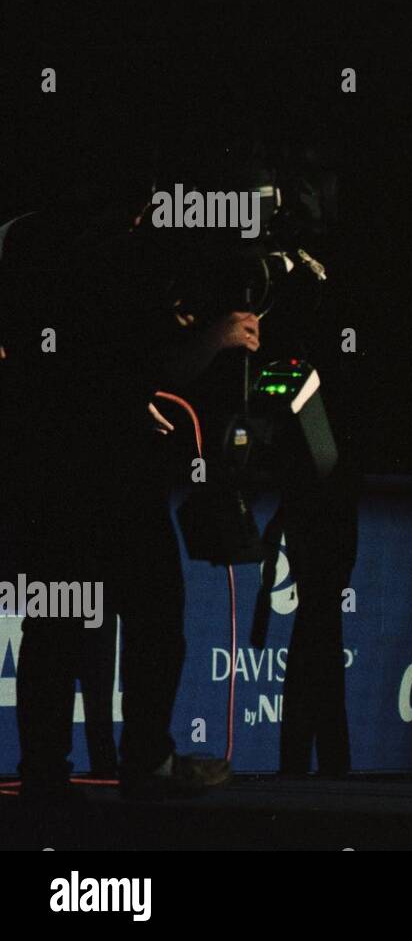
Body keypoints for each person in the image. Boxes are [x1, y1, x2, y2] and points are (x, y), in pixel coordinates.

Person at [2, 198, 258, 802]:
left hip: (55, 469)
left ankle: (47, 771)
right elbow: (151, 361)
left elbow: (88, 365)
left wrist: (122, 398)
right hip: (100, 478)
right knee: (149, 617)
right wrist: (217, 336)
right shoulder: (109, 260)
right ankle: (143, 762)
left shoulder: (34, 243)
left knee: (59, 621)